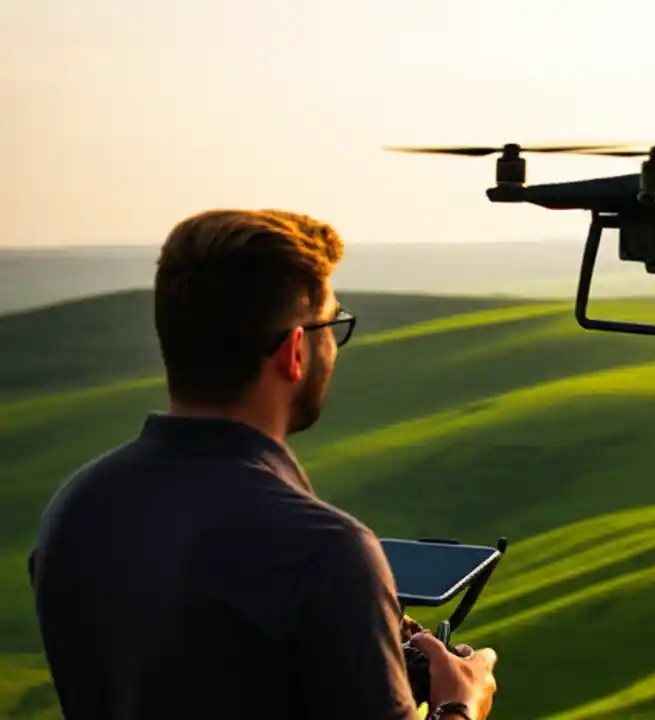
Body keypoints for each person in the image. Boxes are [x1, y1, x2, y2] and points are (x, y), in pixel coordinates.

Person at [28, 209, 497, 720]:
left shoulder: (77, 508)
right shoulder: (324, 551)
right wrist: (461, 702)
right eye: (332, 325)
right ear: (295, 351)